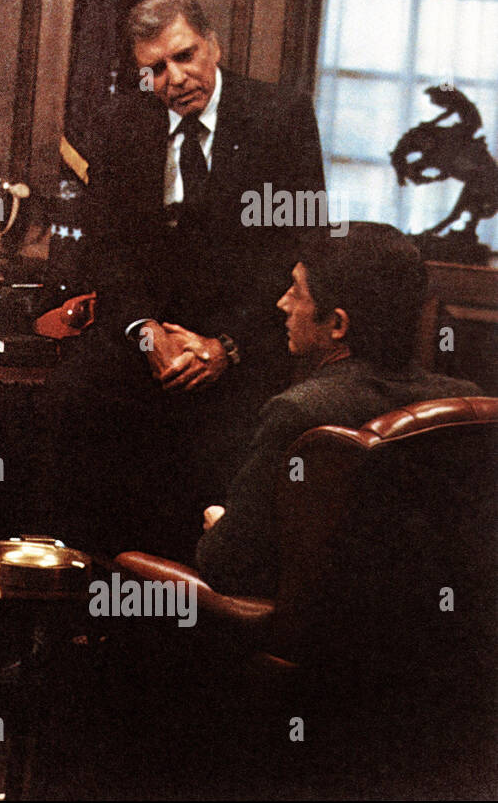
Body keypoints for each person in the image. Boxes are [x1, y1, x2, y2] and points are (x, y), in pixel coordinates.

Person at [47, 0, 327, 556]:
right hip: (144, 339)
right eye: (154, 69)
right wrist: (145, 331)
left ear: (213, 46)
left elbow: (299, 253)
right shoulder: (123, 124)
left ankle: (190, 615)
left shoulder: (279, 117)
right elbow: (106, 253)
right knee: (66, 405)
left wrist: (224, 347)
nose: (173, 78)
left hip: (241, 348)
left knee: (226, 449)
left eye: (184, 56)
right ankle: (76, 597)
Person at [194, 222, 480, 597]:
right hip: (428, 640)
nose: (283, 303)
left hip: (310, 642)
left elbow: (229, 564)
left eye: (296, 292)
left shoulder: (299, 412)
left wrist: (219, 526)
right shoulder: (467, 403)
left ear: (338, 323)